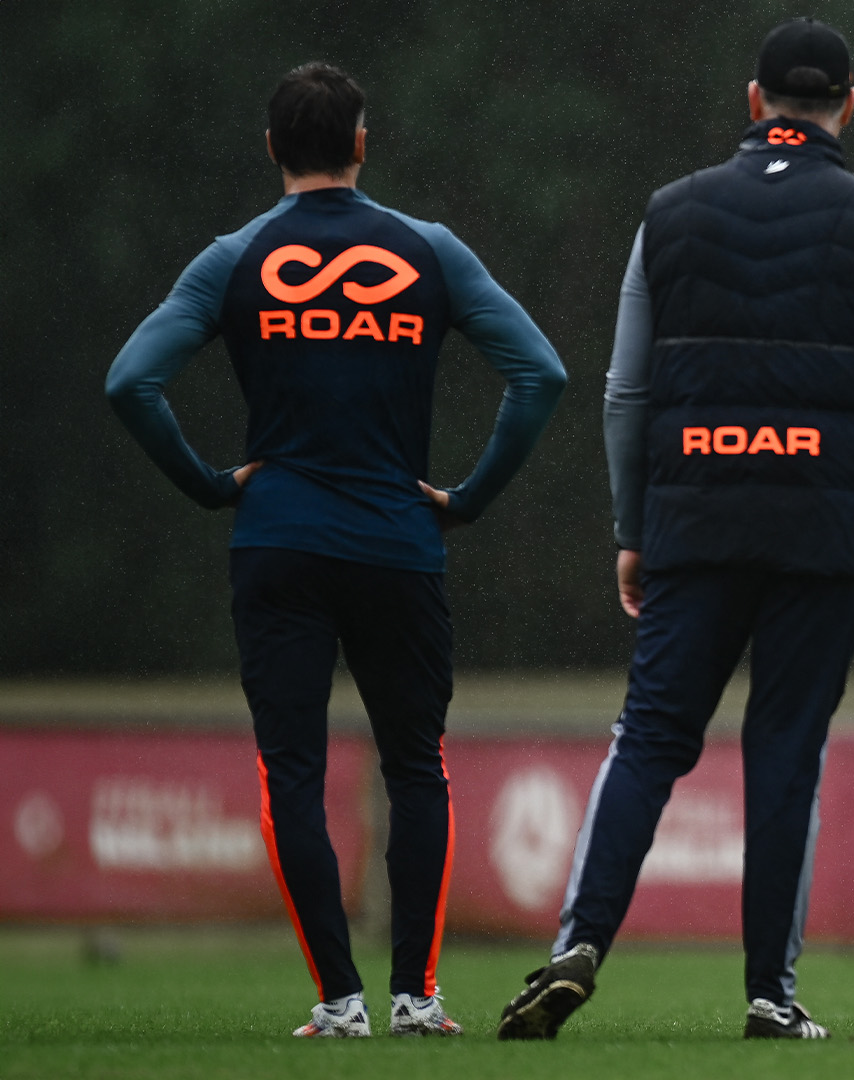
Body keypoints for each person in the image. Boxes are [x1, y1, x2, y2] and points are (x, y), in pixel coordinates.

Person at [496, 18, 854, 1042]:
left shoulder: (668, 214)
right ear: (850, 104)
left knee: (650, 738)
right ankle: (768, 994)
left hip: (694, 517)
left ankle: (580, 941)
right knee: (786, 752)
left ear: (754, 104)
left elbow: (626, 387)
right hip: (826, 531)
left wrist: (635, 524)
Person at [104, 63, 568, 1038]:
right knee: (416, 765)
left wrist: (207, 483)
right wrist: (470, 498)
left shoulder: (232, 259)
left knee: (292, 771)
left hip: (276, 541)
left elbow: (130, 382)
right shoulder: (429, 250)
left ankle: (339, 1001)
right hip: (400, 546)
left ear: (270, 148)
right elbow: (540, 373)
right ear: (363, 143)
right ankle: (416, 997)